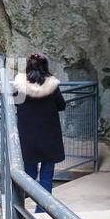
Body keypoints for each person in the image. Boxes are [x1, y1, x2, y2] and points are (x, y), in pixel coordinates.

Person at [14, 53, 66, 210]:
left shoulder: (21, 86)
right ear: (45, 67)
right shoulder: (52, 86)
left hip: (28, 138)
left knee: (28, 175)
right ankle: (41, 210)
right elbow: (61, 105)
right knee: (46, 176)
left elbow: (16, 103)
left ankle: (19, 207)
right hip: (49, 138)